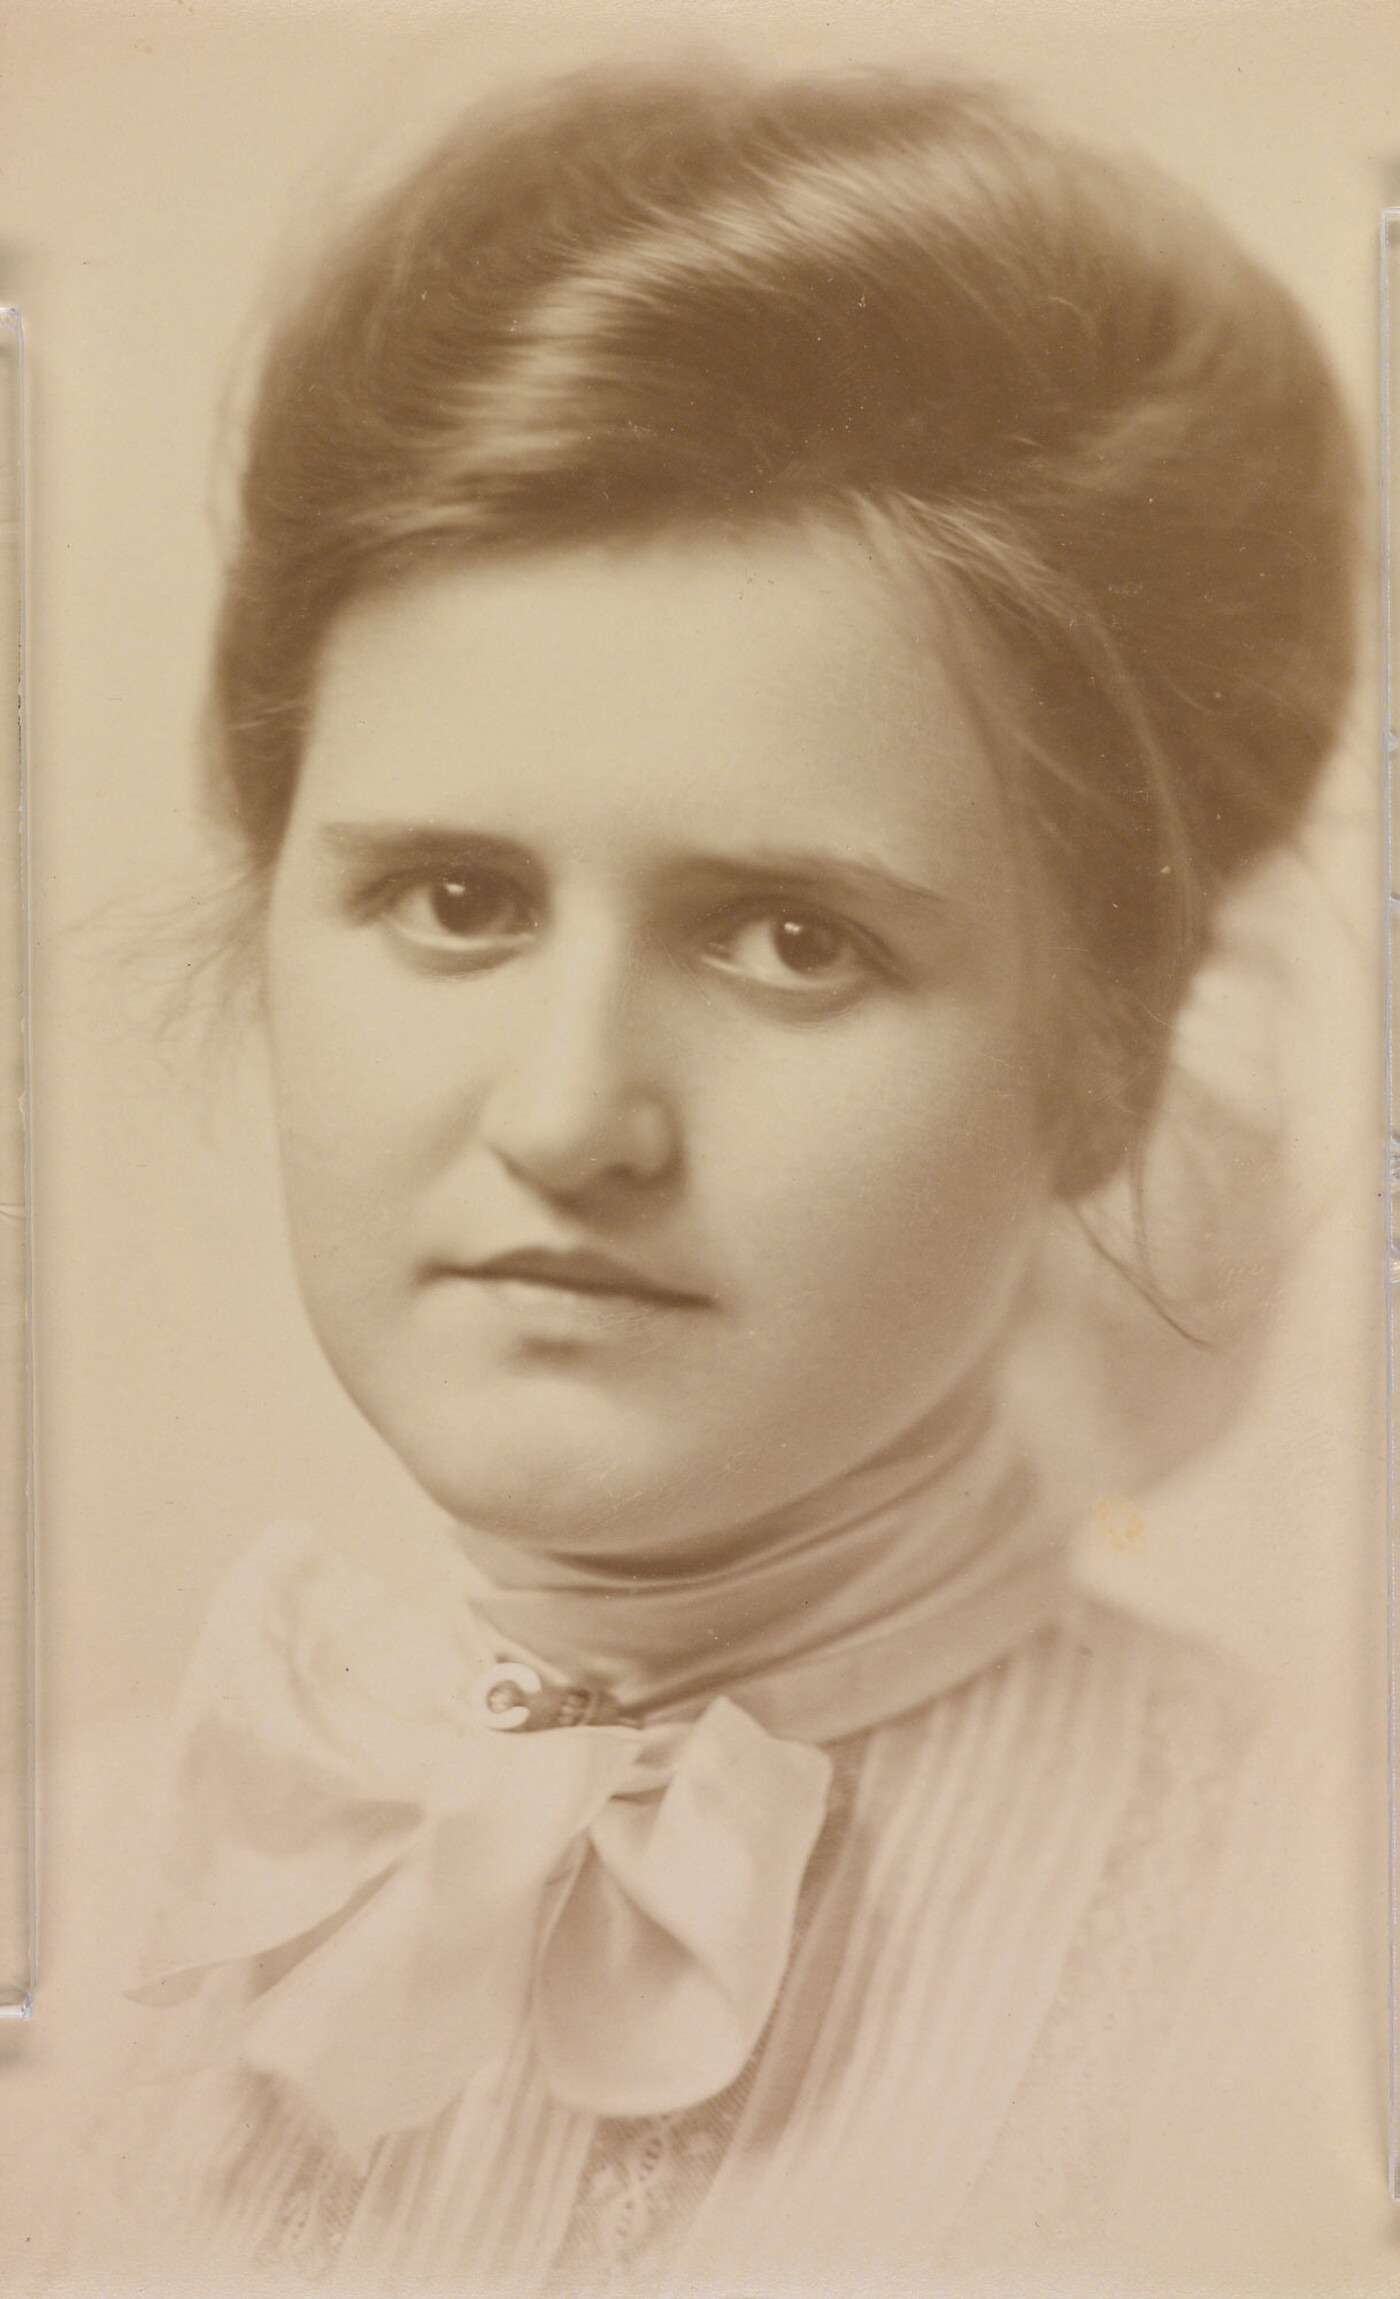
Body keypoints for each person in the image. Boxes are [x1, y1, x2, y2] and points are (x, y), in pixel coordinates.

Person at [73, 58, 1358, 2296]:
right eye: (453, 900)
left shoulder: (1315, 1956)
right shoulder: (85, 1895)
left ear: (1106, 1053)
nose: (570, 1114)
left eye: (792, 937)